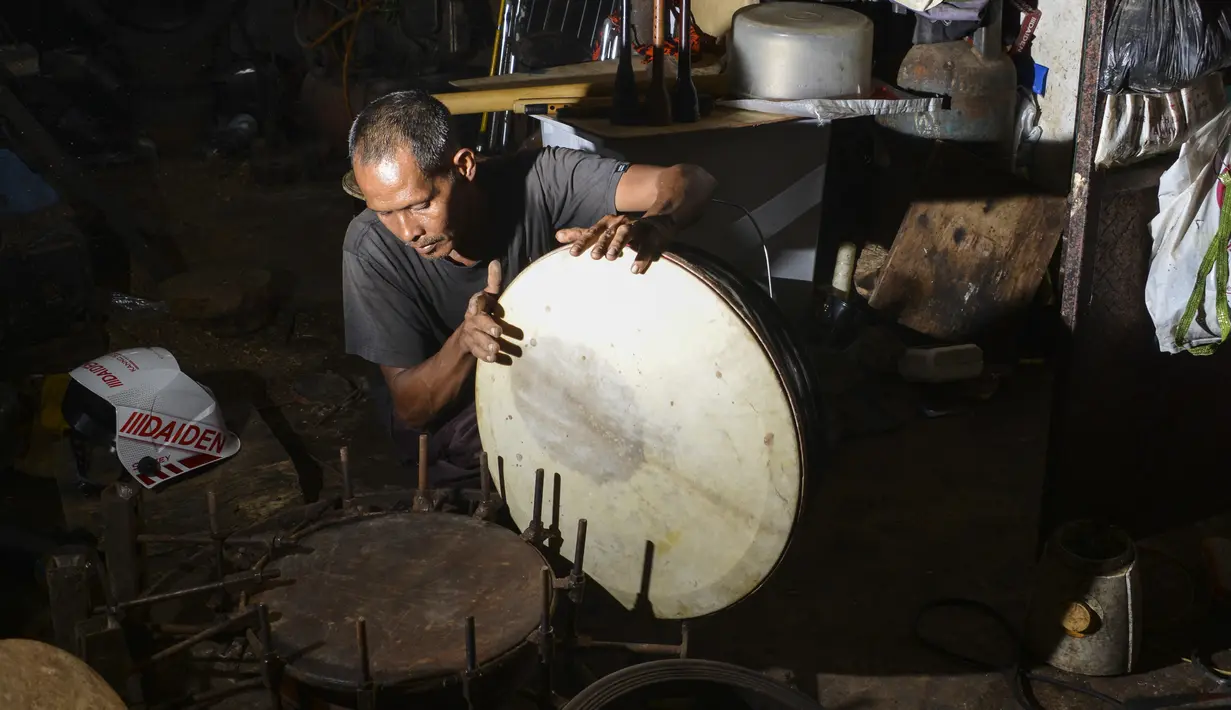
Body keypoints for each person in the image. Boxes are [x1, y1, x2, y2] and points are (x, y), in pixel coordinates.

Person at [342, 90, 717, 486]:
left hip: (557, 379)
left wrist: (654, 223)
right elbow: (411, 408)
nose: (408, 232)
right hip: (455, 421)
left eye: (421, 205)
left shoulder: (540, 179)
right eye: (385, 212)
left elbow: (693, 178)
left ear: (464, 166)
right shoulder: (370, 249)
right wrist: (465, 343)